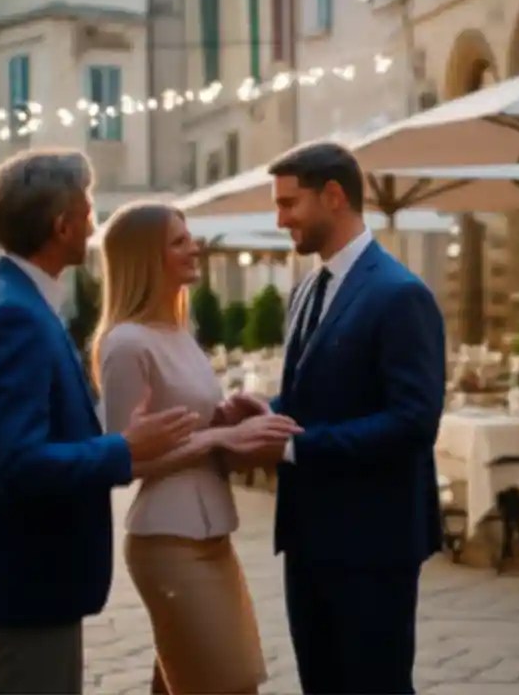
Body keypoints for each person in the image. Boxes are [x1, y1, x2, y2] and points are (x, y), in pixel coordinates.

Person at [0, 149, 202, 695]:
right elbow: (19, 462)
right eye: (90, 208)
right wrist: (122, 447)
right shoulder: (13, 315)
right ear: (62, 225)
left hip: (23, 574)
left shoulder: (11, 297)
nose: (94, 222)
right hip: (22, 578)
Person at [227, 141, 446, 694]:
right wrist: (264, 414)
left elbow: (414, 421)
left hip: (374, 543)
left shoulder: (400, 294)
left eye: (288, 203)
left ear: (333, 196)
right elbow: (315, 402)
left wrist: (294, 448)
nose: (280, 220)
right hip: (309, 539)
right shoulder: (306, 290)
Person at [93, 202, 302, 695]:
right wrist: (218, 436)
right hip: (167, 542)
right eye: (178, 241)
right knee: (229, 684)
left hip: (213, 534)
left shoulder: (180, 332)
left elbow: (188, 426)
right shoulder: (126, 343)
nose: (195, 247)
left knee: (194, 682)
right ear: (147, 258)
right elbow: (121, 460)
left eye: (190, 236)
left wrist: (230, 415)